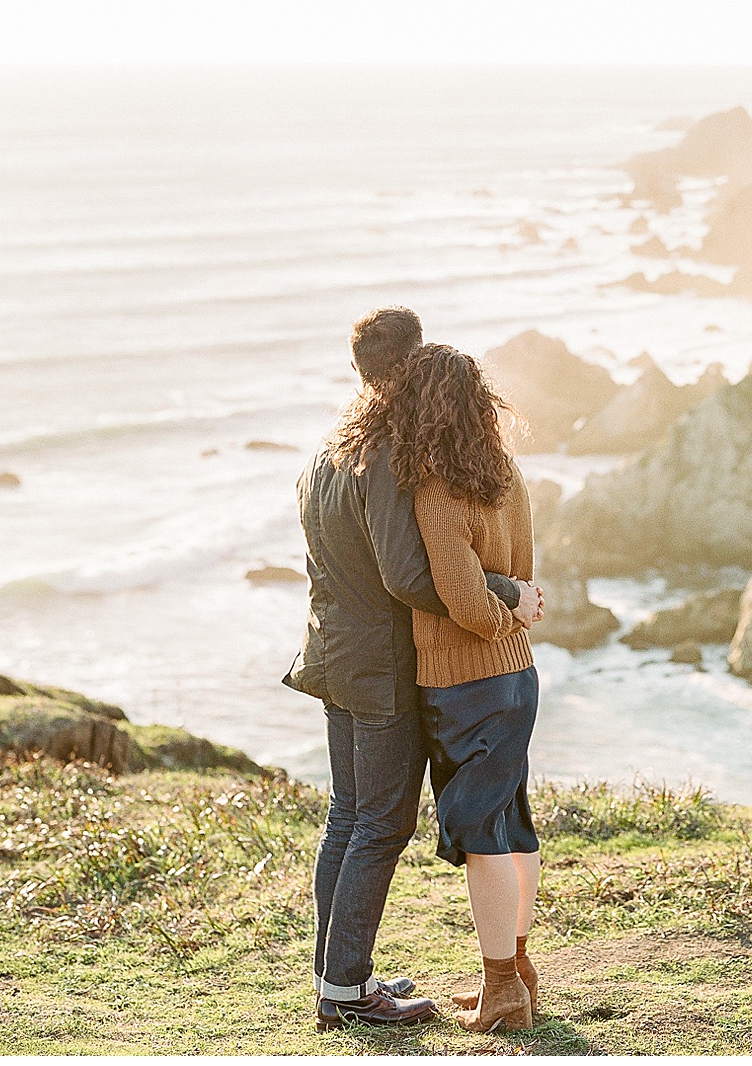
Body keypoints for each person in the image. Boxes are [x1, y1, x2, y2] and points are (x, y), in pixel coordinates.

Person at [285, 307, 543, 1033]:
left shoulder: (326, 450)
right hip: (381, 669)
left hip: (330, 652)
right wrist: (506, 594)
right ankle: (346, 987)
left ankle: (337, 973)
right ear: (413, 364)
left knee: (346, 816)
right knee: (382, 822)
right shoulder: (390, 456)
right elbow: (407, 574)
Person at [390, 343, 542, 1034]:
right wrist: (516, 603)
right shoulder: (505, 470)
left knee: (482, 835)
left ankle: (503, 987)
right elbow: (521, 580)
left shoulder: (434, 489)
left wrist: (497, 604)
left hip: (467, 684)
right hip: (517, 675)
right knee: (512, 822)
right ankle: (517, 966)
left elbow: (469, 604)